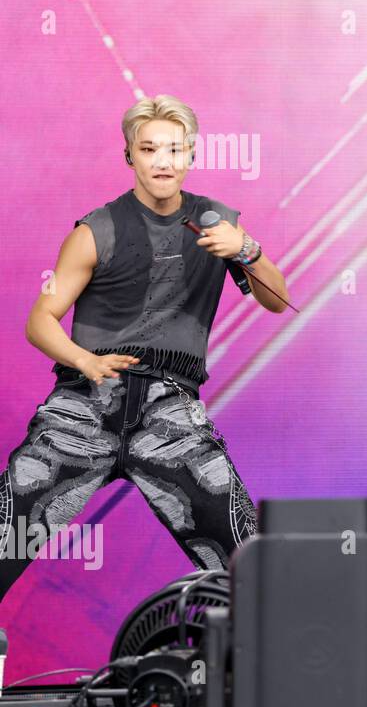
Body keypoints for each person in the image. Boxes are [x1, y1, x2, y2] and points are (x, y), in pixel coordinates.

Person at [0, 95, 287, 604]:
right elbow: (39, 321)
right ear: (130, 155)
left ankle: (281, 668)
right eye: (149, 149)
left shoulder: (214, 221)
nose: (163, 161)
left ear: (191, 155)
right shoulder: (96, 230)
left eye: (174, 149)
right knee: (6, 534)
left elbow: (276, 300)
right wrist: (85, 360)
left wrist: (246, 250)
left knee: (248, 556)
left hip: (169, 412)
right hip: (84, 405)